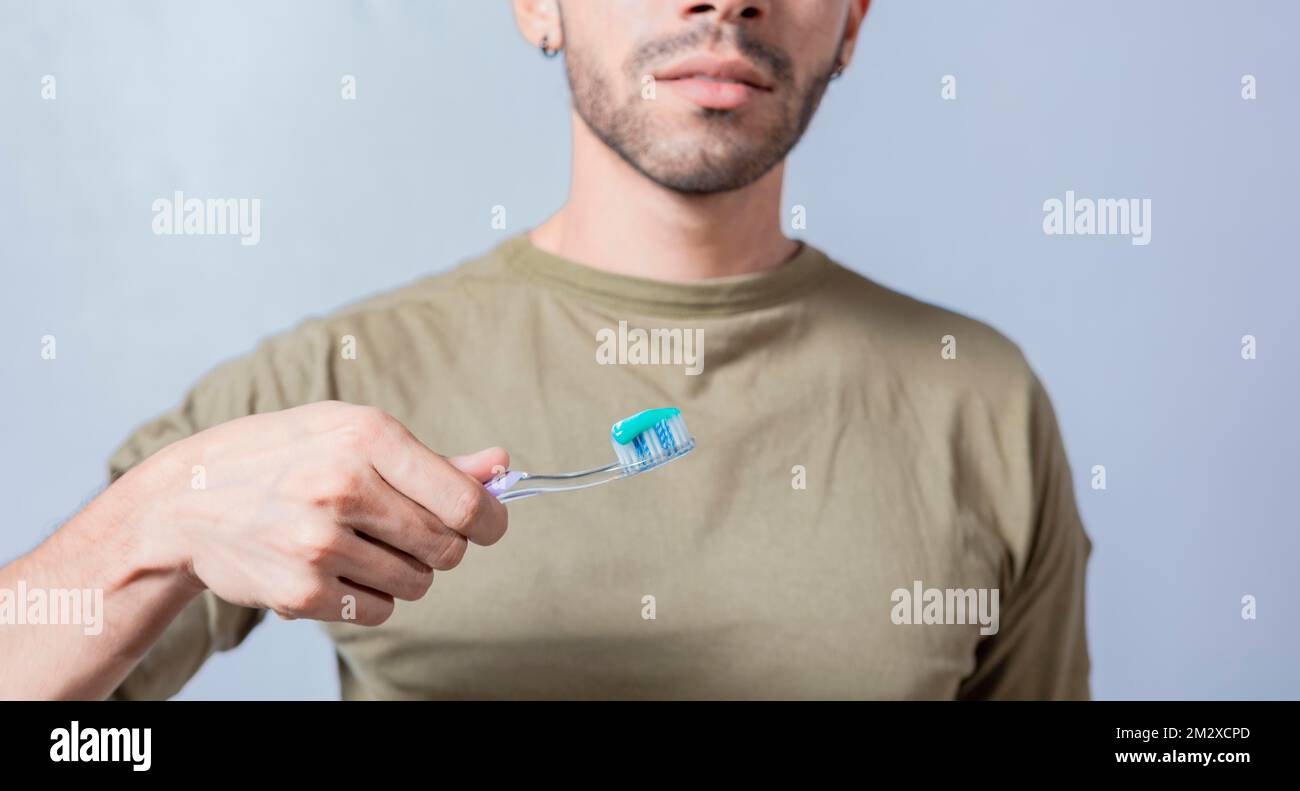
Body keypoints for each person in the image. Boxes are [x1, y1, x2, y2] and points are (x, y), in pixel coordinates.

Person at [0, 0, 1091, 700]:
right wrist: (157, 521)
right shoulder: (324, 385)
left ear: (853, 20)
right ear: (537, 4)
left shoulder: (981, 399)